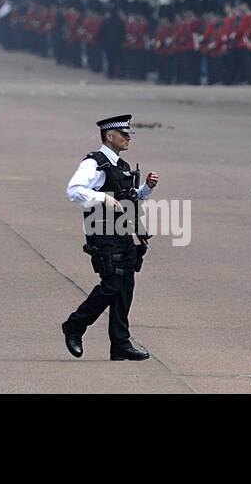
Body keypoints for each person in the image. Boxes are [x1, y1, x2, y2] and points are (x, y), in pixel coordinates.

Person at [61, 115, 159, 361]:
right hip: (103, 233)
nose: (128, 138)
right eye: (124, 134)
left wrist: (146, 188)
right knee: (112, 285)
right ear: (109, 136)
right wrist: (102, 198)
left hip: (123, 231)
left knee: (125, 287)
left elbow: (129, 196)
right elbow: (74, 190)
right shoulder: (94, 163)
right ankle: (75, 325)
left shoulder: (122, 166)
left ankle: (120, 344)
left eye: (129, 135)